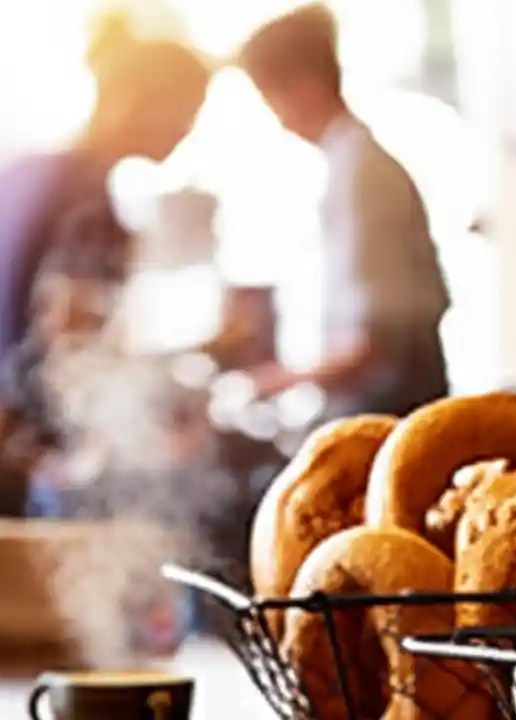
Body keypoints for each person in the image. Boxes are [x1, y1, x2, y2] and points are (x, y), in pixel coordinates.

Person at [0, 15, 210, 516]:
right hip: (24, 455)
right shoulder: (90, 205)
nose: (188, 130)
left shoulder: (25, 173)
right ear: (138, 100)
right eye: (185, 109)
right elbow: (69, 348)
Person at [239, 4, 452, 418]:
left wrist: (276, 382)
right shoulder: (350, 163)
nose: (275, 118)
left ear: (304, 87)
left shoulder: (364, 174)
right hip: (385, 402)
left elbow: (372, 343)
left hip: (391, 411)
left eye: (268, 99)